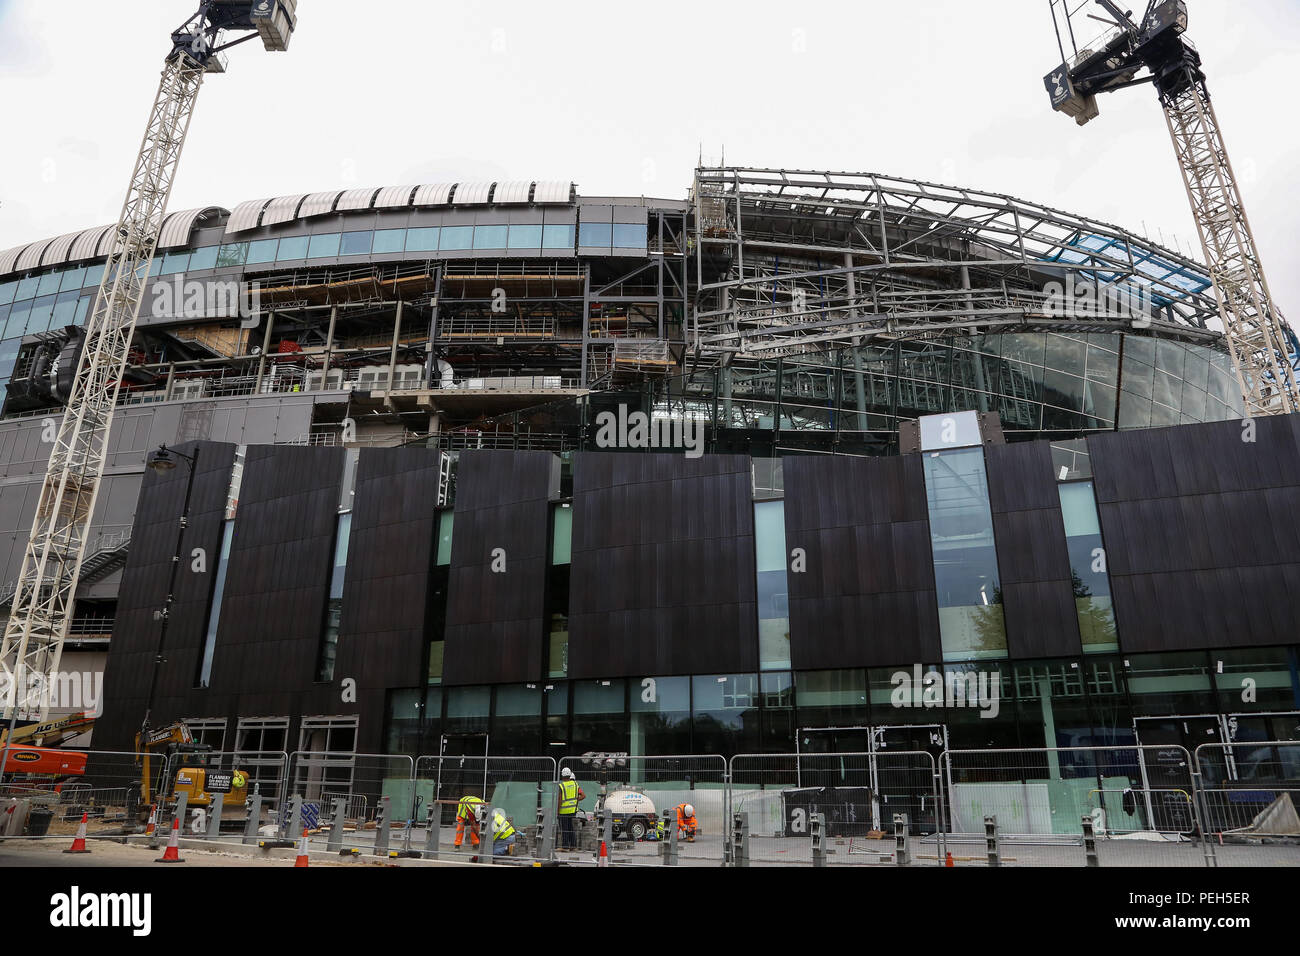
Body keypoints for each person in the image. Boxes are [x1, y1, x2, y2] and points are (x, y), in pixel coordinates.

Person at [557, 767, 585, 850]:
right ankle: (573, 846)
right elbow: (583, 795)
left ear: (562, 776)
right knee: (570, 828)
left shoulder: (561, 786)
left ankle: (565, 847)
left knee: (565, 829)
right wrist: (575, 801)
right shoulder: (575, 785)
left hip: (563, 811)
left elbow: (560, 800)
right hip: (572, 810)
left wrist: (557, 811)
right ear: (570, 775)